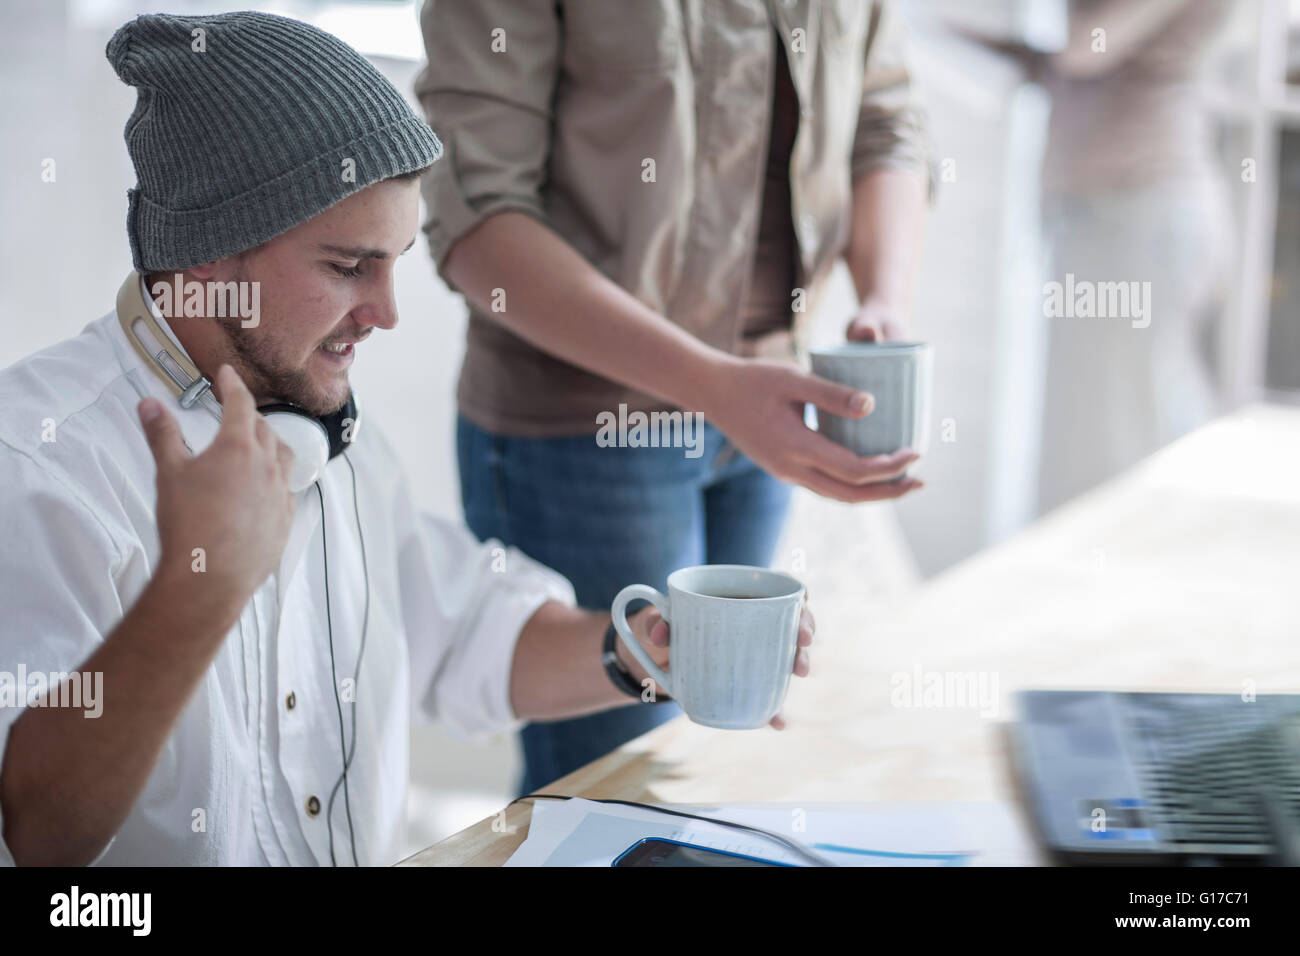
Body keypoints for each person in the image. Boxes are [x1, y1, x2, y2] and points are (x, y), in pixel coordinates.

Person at [0, 11, 814, 867]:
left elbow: (465, 639)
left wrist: (644, 654)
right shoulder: (36, 467)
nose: (385, 314)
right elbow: (37, 833)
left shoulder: (329, 434)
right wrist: (196, 592)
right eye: (349, 268)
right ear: (205, 254)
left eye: (394, 266)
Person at [416, 0, 932, 795]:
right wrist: (714, 387)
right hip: (584, 430)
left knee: (713, 755)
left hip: (764, 411)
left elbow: (886, 121)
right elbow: (476, 214)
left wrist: (884, 303)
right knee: (616, 783)